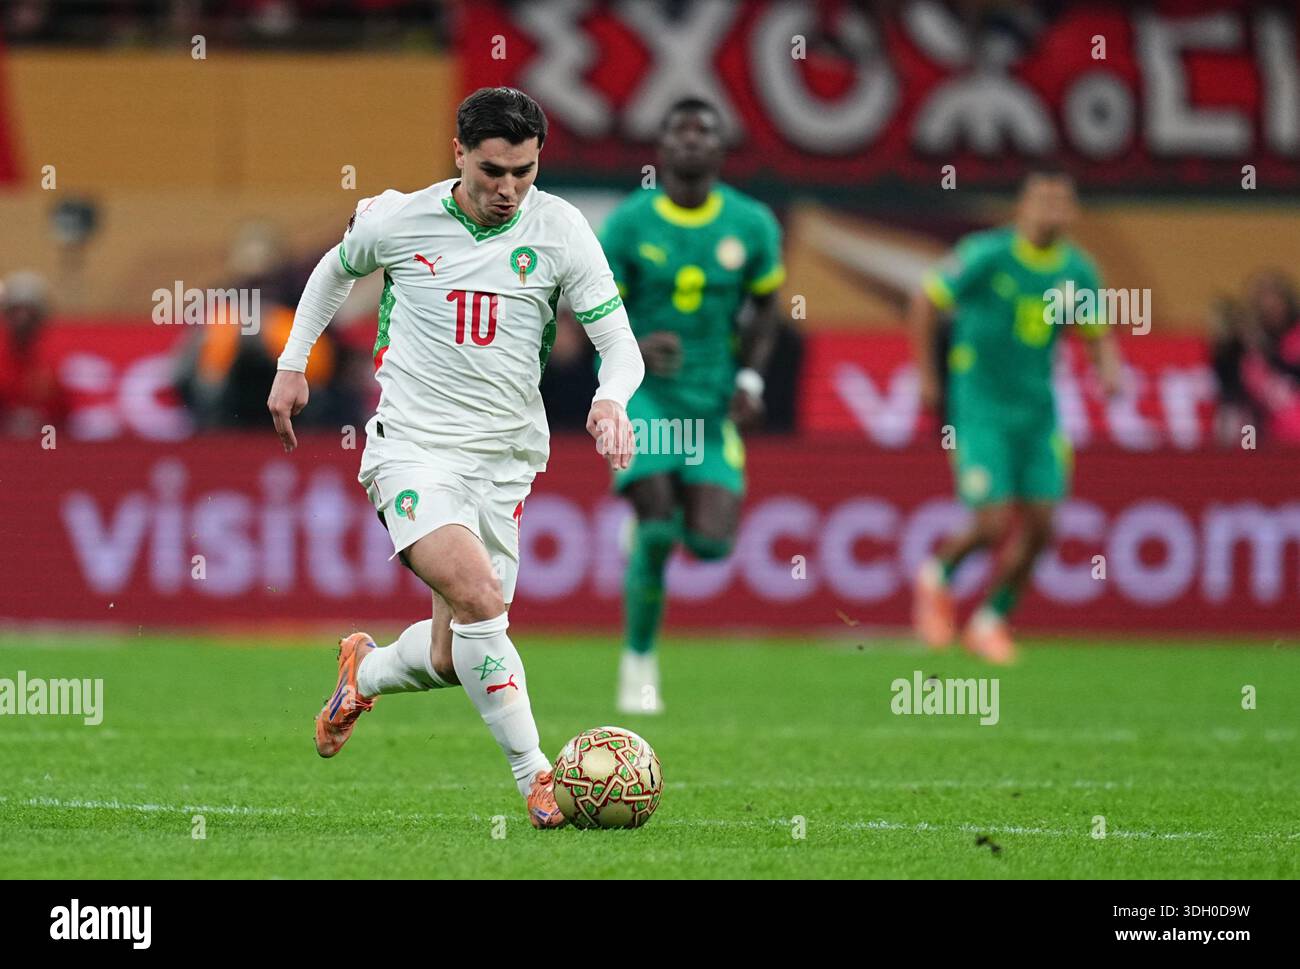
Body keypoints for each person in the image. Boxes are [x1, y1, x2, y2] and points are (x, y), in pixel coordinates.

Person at [266, 87, 643, 828]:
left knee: (451, 653)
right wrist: (292, 361)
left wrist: (612, 399)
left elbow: (618, 343)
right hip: (411, 447)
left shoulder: (562, 228)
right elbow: (333, 270)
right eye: (493, 171)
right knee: (480, 597)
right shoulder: (400, 218)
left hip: (504, 460)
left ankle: (363, 670)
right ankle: (537, 776)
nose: (508, 190)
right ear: (460, 155)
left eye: (524, 173)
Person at [599, 97, 784, 713]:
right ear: (661, 147)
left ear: (721, 147)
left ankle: (654, 535)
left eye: (704, 129)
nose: (691, 139)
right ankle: (639, 666)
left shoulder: (752, 224)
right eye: (679, 129)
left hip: (711, 405)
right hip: (645, 395)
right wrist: (634, 345)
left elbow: (766, 311)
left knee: (709, 546)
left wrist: (752, 382)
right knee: (657, 527)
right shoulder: (628, 223)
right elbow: (591, 308)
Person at [909, 170, 1122, 664]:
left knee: (1044, 526)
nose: (1051, 209)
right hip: (981, 407)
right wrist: (927, 377)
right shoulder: (987, 255)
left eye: (1061, 201)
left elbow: (1096, 331)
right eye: (1041, 199)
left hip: (1038, 411)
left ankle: (989, 621)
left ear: (1072, 213)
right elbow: (925, 299)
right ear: (1021, 207)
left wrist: (1108, 371)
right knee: (991, 522)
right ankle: (935, 579)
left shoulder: (1078, 271)